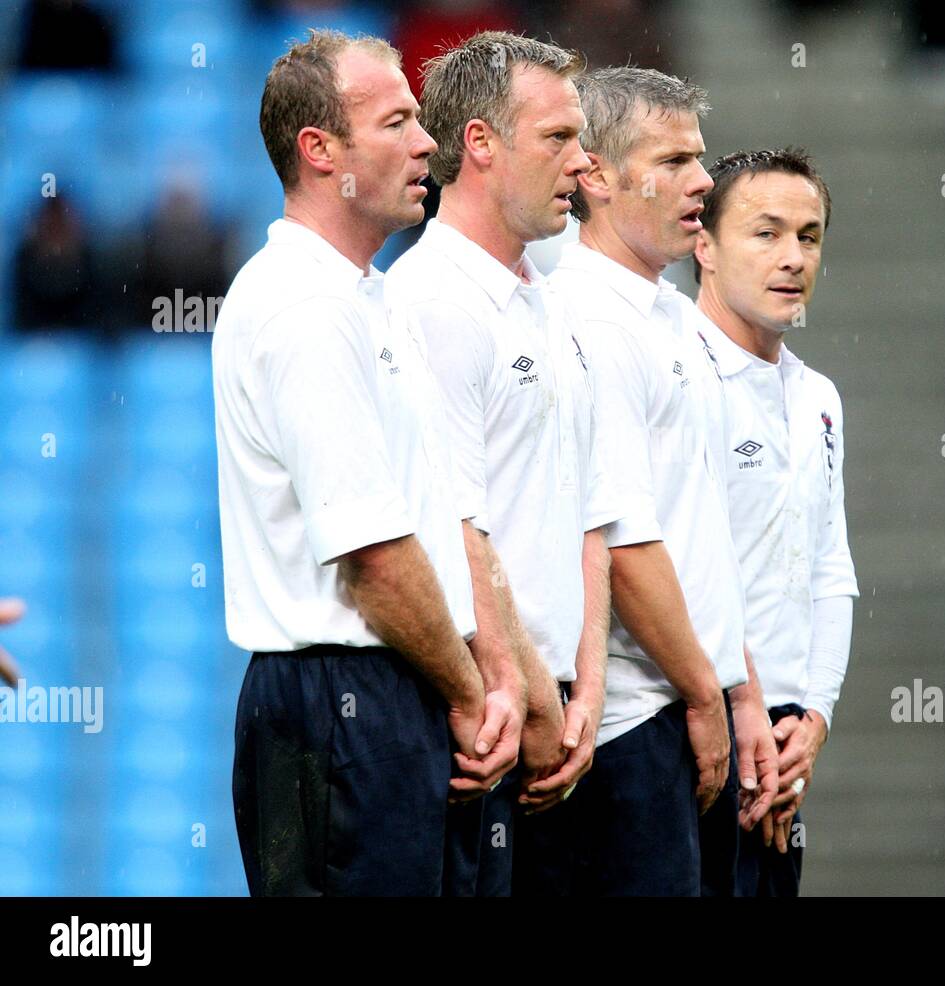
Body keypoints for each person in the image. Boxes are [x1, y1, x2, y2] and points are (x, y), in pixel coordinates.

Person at [213, 30, 514, 896]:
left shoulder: (365, 298)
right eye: (397, 122)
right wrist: (469, 694)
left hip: (393, 686)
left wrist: (480, 678)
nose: (428, 143)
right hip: (343, 701)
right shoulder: (304, 305)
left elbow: (424, 521)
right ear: (321, 152)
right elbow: (376, 559)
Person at [385, 31, 620, 896]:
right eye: (557, 138)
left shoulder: (547, 301)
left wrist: (583, 688)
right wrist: (530, 693)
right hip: (487, 716)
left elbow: (595, 515)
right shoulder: (432, 301)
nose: (582, 162)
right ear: (479, 144)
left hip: (554, 715)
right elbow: (458, 524)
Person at [548, 66, 777, 896]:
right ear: (597, 176)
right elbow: (626, 544)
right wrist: (706, 694)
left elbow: (697, 529)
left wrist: (742, 690)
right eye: (675, 159)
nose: (704, 180)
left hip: (688, 703)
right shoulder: (589, 323)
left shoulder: (674, 313)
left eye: (702, 157)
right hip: (634, 725)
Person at [691, 147, 859, 896]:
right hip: (697, 721)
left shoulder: (819, 396)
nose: (793, 257)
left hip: (783, 735)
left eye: (810, 235)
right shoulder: (678, 373)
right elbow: (686, 564)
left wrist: (813, 720)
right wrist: (740, 703)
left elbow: (831, 566)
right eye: (765, 234)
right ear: (703, 243)